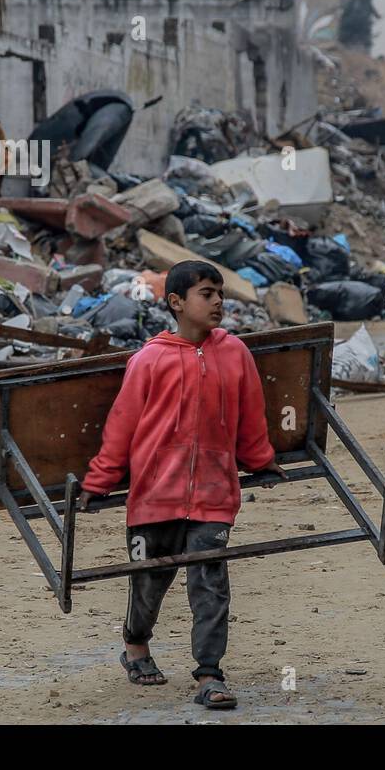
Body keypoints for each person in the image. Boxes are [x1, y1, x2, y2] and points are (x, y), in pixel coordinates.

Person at [78, 260, 285, 710]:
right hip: (154, 496)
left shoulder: (235, 353)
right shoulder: (148, 360)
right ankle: (136, 644)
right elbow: (121, 428)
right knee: (149, 582)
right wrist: (99, 481)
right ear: (176, 302)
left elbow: (251, 417)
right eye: (206, 294)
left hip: (214, 495)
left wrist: (261, 461)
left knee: (210, 585)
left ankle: (210, 674)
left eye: (220, 294)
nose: (217, 302)